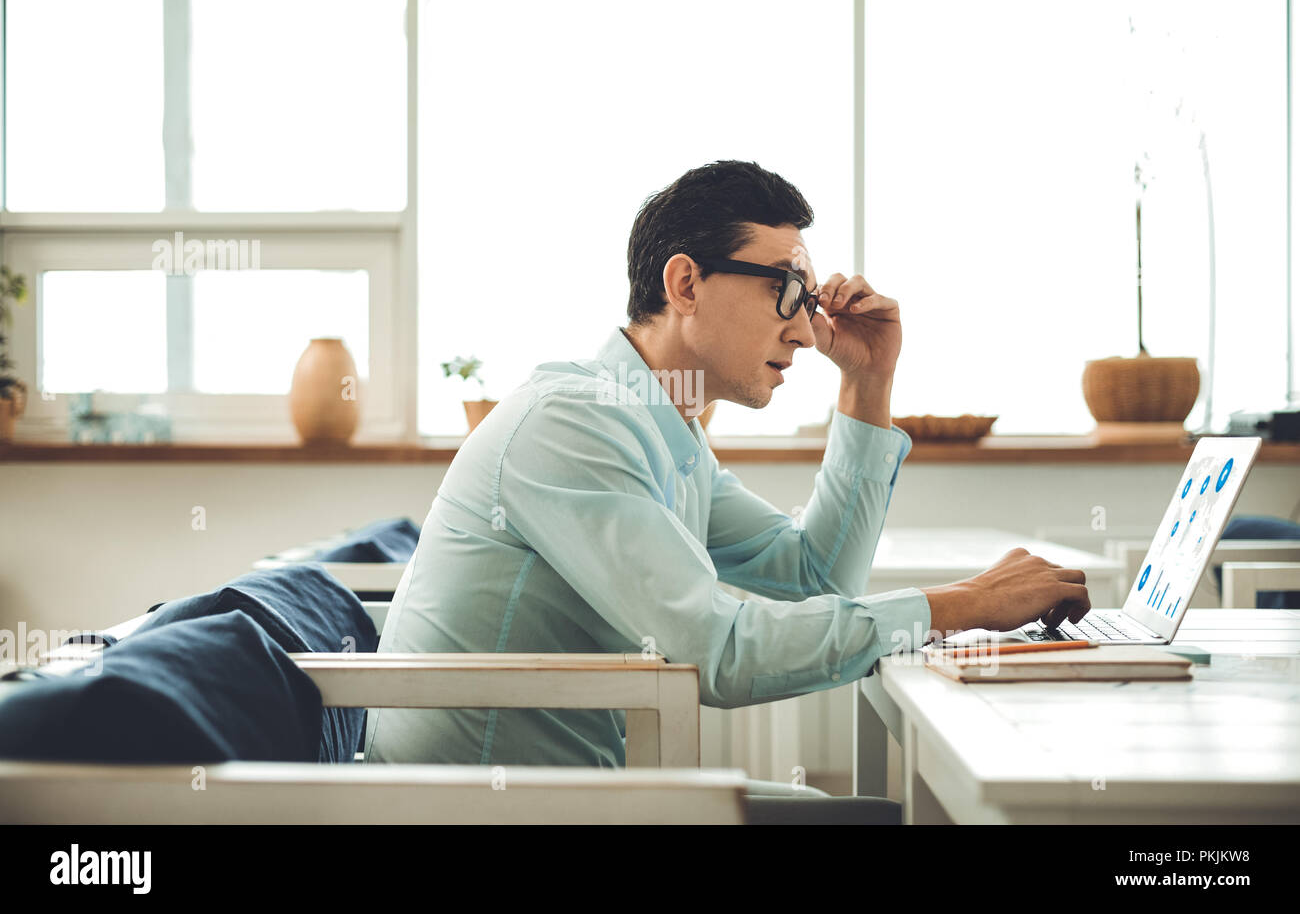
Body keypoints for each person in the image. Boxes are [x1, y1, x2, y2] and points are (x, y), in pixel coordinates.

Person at [364, 160, 1091, 821]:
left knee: (856, 814)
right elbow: (717, 651)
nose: (808, 331)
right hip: (488, 811)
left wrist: (867, 382)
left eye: (808, 299)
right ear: (685, 285)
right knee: (868, 820)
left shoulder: (662, 429)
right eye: (786, 292)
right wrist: (960, 606)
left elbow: (817, 577)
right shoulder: (576, 422)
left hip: (576, 793)